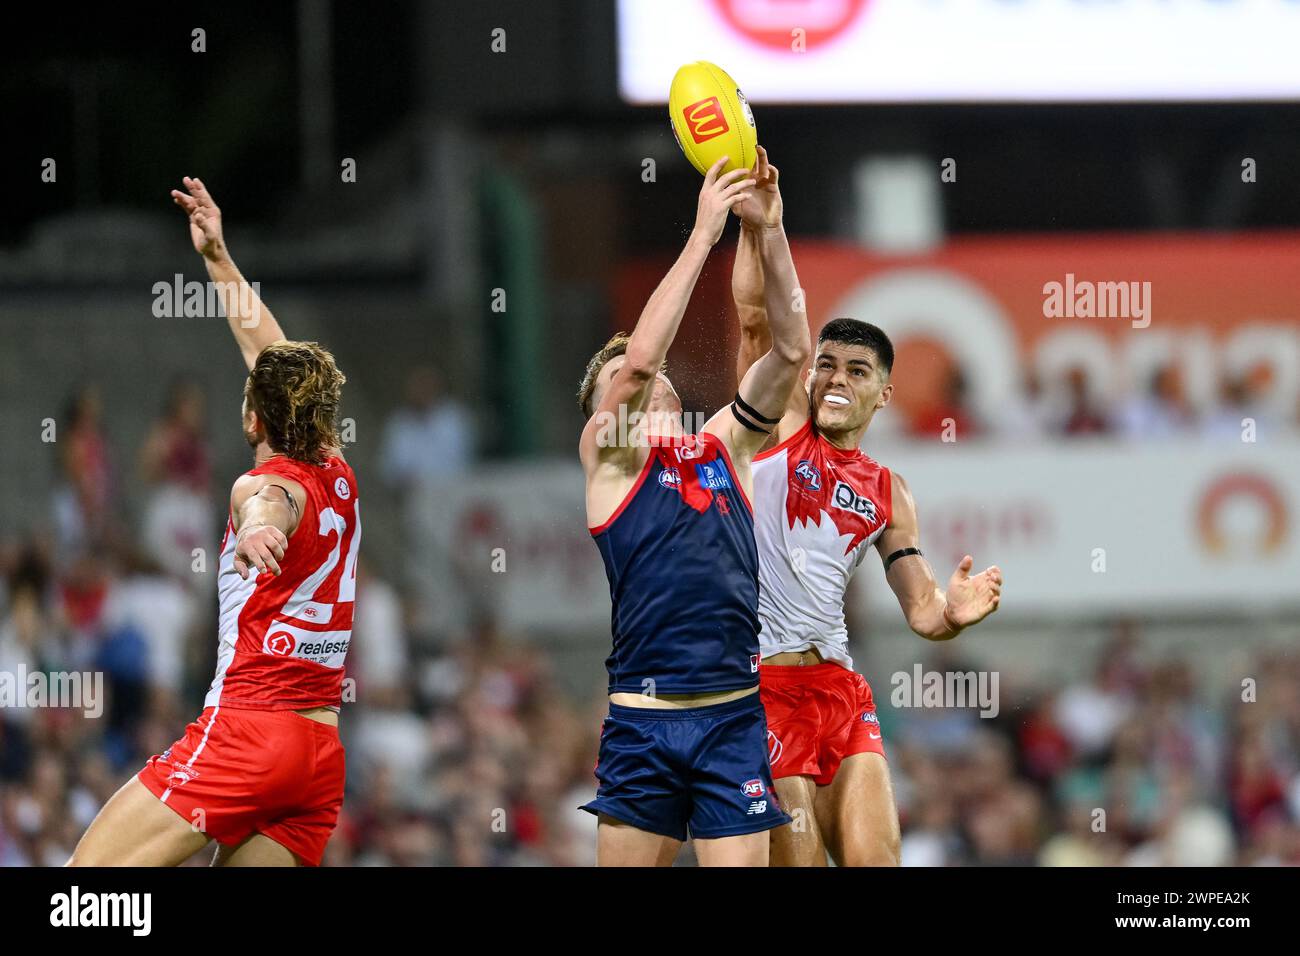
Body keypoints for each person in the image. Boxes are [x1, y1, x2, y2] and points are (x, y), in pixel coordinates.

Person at [69, 176, 360, 867]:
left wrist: (261, 527)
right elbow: (276, 361)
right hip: (316, 758)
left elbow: (267, 504)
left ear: (253, 418)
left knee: (84, 889)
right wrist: (219, 260)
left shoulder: (261, 482)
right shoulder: (338, 473)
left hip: (249, 737)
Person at [731, 185, 1003, 865]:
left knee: (875, 857)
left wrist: (954, 614)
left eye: (855, 371)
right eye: (824, 365)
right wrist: (760, 229)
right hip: (764, 690)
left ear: (882, 394)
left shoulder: (889, 491)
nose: (832, 379)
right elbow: (755, 316)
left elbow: (923, 613)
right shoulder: (775, 429)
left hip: (841, 691)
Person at [576, 149, 807, 866]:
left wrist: (770, 233)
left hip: (732, 719)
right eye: (619, 384)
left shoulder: (722, 446)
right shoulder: (610, 458)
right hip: (643, 728)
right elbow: (641, 360)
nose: (642, 384)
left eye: (648, 381)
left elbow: (794, 351)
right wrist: (703, 234)